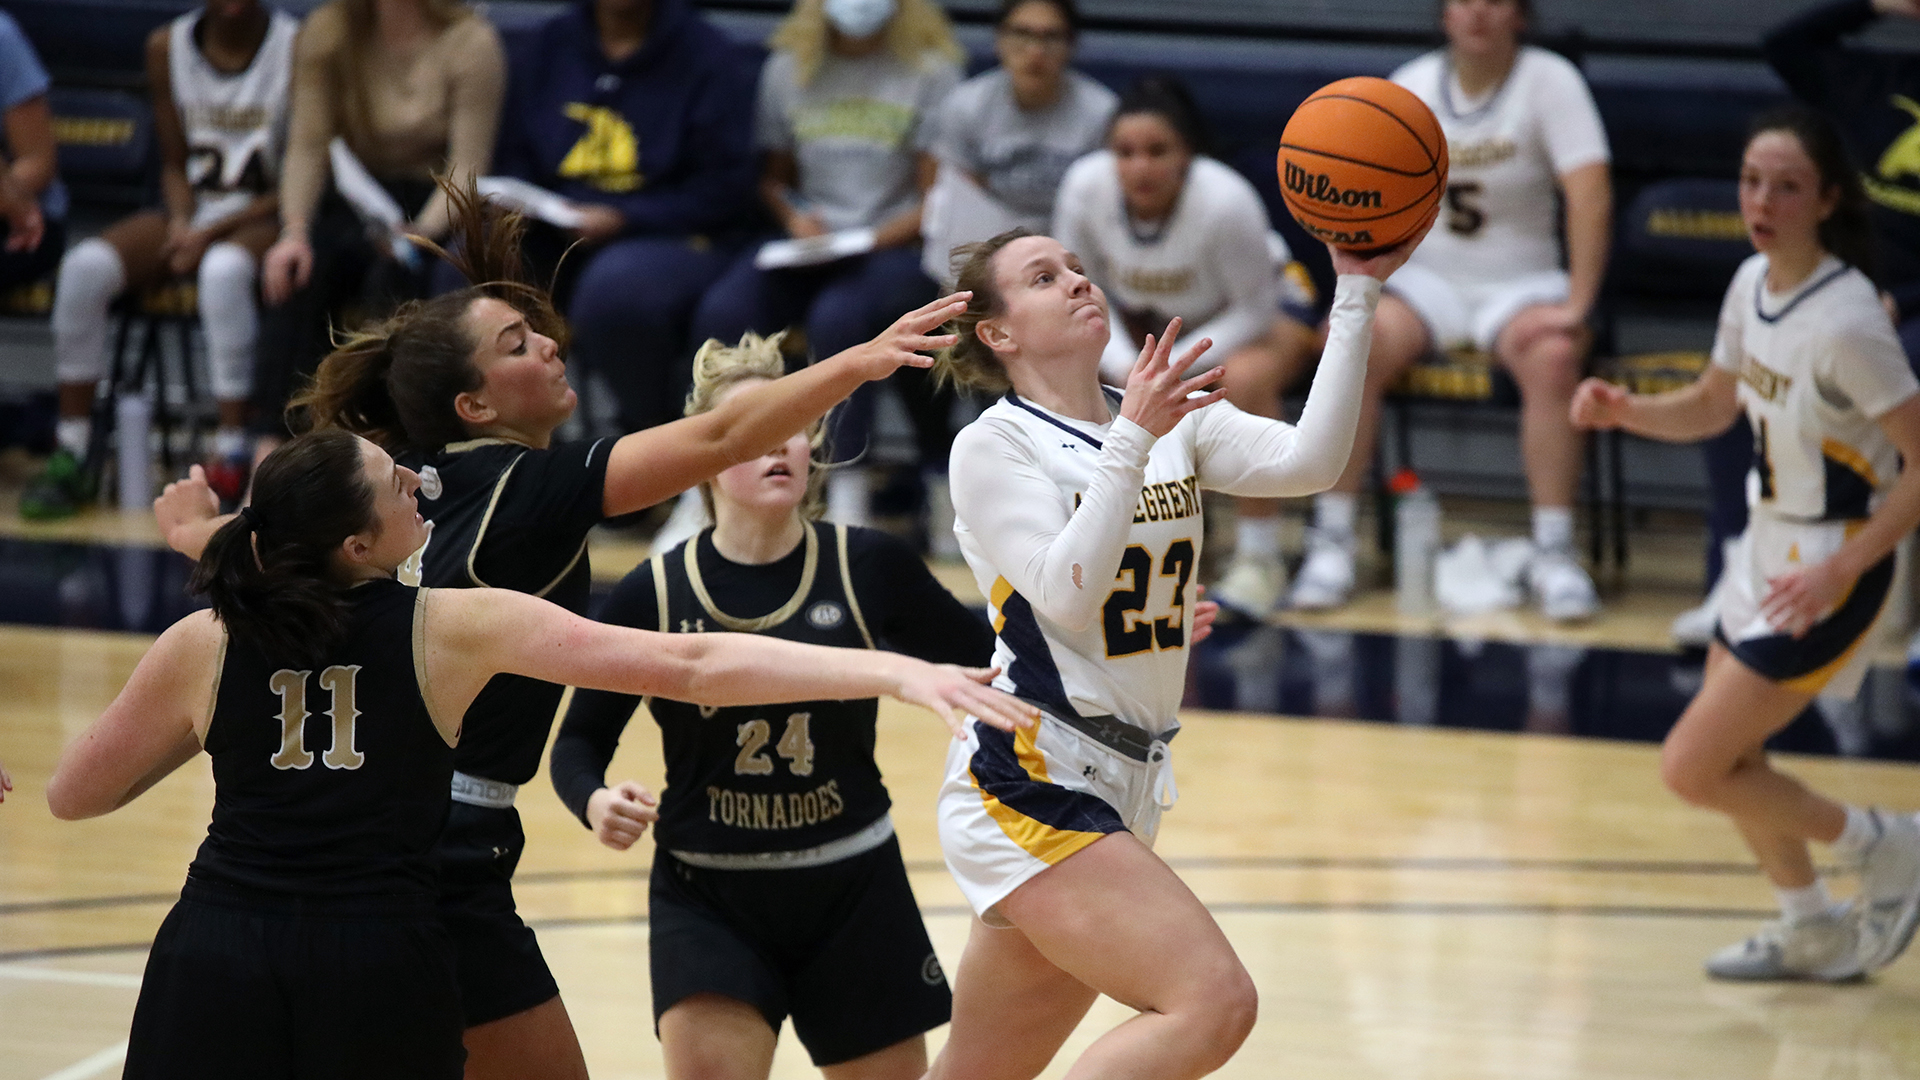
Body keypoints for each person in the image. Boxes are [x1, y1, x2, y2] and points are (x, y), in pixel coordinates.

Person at [155, 185, 975, 1080]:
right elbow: (724, 437)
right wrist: (859, 361)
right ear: (476, 405)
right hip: (441, 847)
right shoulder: (528, 489)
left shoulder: (383, 490)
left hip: (338, 838)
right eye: (518, 344)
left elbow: (276, 551)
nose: (552, 343)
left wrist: (205, 536)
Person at [50, 427, 1036, 1079]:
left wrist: (220, 736)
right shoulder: (452, 625)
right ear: (359, 545)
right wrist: (895, 675)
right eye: (398, 484)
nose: (417, 483)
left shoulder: (205, 639)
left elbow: (75, 797)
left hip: (218, 943)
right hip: (377, 953)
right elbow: (688, 665)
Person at [924, 217, 1427, 1078]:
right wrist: (1134, 437)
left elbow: (1312, 461)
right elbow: (1067, 596)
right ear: (997, 333)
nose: (1079, 282)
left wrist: (1356, 290)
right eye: (1045, 278)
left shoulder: (1159, 423)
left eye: (1078, 268)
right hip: (1032, 773)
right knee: (1214, 1001)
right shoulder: (994, 444)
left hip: (1125, 775)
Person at [1570, 108, 1920, 981]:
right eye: (1751, 180)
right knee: (1738, 759)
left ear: (1828, 199)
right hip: (1764, 550)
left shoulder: (1846, 325)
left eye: (1787, 185)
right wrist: (1627, 412)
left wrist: (1846, 566)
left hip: (1832, 564)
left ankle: (1888, 844)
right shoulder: (1749, 282)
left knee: (1691, 767)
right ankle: (1810, 923)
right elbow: (1713, 405)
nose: (1761, 200)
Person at [1289, 0, 1613, 620]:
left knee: (1555, 358)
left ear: (1521, 14)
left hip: (1519, 284)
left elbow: (1590, 194)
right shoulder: (1407, 86)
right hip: (1426, 281)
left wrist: (1578, 302)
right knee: (1347, 344)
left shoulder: (1551, 81)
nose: (1480, 12)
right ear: (1443, 13)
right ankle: (1330, 540)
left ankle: (1554, 551)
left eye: (1497, 0)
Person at [689, 0, 963, 534]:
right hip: (809, 246)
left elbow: (939, 196)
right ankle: (710, 466)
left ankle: (845, 493)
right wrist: (794, 216)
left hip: (896, 248)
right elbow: (774, 176)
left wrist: (870, 239)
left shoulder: (932, 71)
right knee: (726, 308)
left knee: (843, 320)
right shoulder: (788, 66)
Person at [1052, 76, 1320, 620]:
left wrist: (1164, 369)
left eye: (1157, 151)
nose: (1140, 167)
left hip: (1266, 310)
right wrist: (1132, 368)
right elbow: (1080, 294)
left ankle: (1259, 556)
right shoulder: (1084, 188)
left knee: (1242, 380)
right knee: (1072, 366)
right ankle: (1113, 543)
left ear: (1186, 156)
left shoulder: (1225, 201)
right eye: (1125, 152)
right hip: (1150, 327)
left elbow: (1255, 309)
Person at [29, 0, 298, 522]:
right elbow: (175, 163)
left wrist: (208, 232)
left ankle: (232, 450)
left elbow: (298, 178)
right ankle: (73, 447)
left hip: (267, 212)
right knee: (84, 270)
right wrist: (180, 222)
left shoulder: (296, 43)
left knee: (223, 272)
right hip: (194, 209)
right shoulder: (165, 46)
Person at [492, 0, 759, 436]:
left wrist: (625, 216)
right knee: (472, 266)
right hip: (555, 225)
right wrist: (528, 201)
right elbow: (514, 156)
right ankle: (505, 443)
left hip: (674, 233)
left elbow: (725, 190)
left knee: (615, 294)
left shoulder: (708, 54)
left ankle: (655, 435)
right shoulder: (548, 45)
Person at [252, 0, 505, 441]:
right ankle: (274, 445)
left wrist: (421, 233)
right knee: (297, 272)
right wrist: (293, 232)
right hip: (354, 195)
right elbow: (308, 145)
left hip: (433, 205)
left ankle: (382, 438)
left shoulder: (472, 41)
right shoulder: (327, 33)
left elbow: (467, 168)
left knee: (391, 277)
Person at [931, 0, 1116, 237]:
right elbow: (956, 195)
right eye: (1022, 33)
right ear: (999, 40)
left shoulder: (1102, 113)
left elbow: (1103, 206)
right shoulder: (964, 106)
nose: (1035, 51)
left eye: (1051, 37)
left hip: (1070, 243)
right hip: (985, 243)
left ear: (1071, 45)